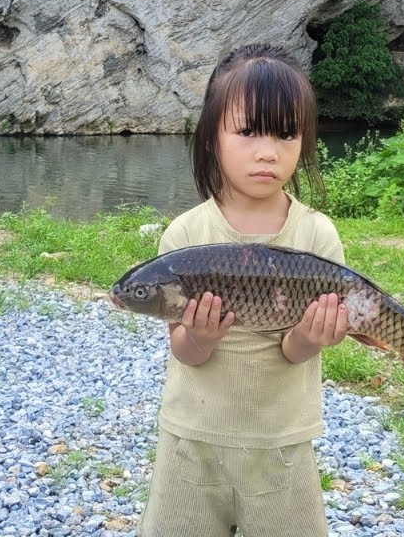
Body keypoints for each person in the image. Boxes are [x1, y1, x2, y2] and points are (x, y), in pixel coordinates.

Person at [139, 43, 349, 537]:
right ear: (212, 136)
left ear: (304, 142)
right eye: (248, 131)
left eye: (285, 134)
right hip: (192, 440)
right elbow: (186, 354)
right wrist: (203, 338)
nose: (267, 152)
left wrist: (313, 337)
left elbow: (296, 353)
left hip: (282, 445)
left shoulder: (317, 235)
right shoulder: (186, 236)